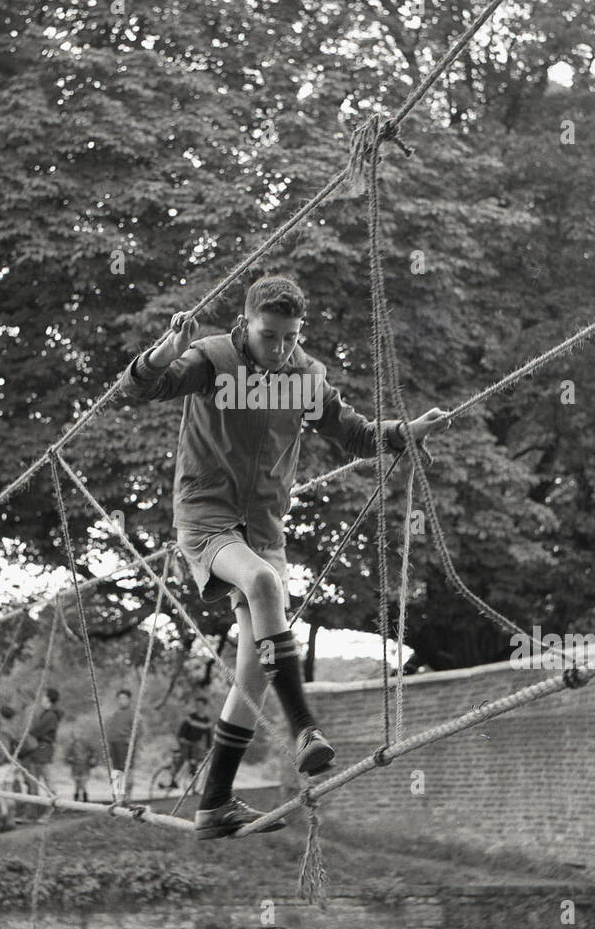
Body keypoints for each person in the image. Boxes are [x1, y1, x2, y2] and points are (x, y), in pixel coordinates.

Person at [120, 274, 450, 839]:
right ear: (245, 324)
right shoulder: (213, 360)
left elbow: (352, 433)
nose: (280, 349)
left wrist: (405, 432)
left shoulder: (304, 377)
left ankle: (215, 805)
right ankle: (304, 729)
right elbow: (141, 388)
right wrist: (164, 352)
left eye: (291, 337)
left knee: (252, 672)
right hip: (206, 519)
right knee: (267, 586)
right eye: (269, 336)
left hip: (266, 528)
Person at [19, 688, 64, 821]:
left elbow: (35, 730)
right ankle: (34, 812)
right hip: (41, 748)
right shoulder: (47, 714)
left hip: (44, 748)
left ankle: (50, 810)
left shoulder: (50, 715)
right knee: (36, 781)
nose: (42, 699)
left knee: (46, 780)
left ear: (49, 699)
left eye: (44, 697)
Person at [175, 694, 213, 777]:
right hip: (186, 741)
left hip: (196, 743)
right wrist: (181, 738)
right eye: (197, 705)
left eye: (200, 705)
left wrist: (208, 748)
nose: (198, 707)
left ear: (204, 706)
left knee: (194, 761)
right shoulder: (191, 717)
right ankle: (173, 780)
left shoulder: (207, 721)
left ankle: (193, 783)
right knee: (184, 759)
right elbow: (182, 729)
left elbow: (209, 736)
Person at [104, 688, 134, 795]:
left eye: (124, 698)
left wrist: (129, 740)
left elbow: (137, 730)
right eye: (120, 698)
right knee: (116, 768)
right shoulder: (115, 714)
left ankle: (127, 794)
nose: (121, 701)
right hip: (114, 743)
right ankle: (118, 793)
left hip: (124, 744)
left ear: (129, 700)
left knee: (125, 767)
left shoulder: (132, 713)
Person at [64, 735, 95, 802]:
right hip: (77, 767)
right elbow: (67, 757)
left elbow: (93, 755)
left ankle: (80, 796)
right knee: (78, 783)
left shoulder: (87, 745)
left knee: (82, 783)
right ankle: (81, 796)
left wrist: (91, 760)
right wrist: (70, 759)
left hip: (83, 767)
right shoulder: (72, 747)